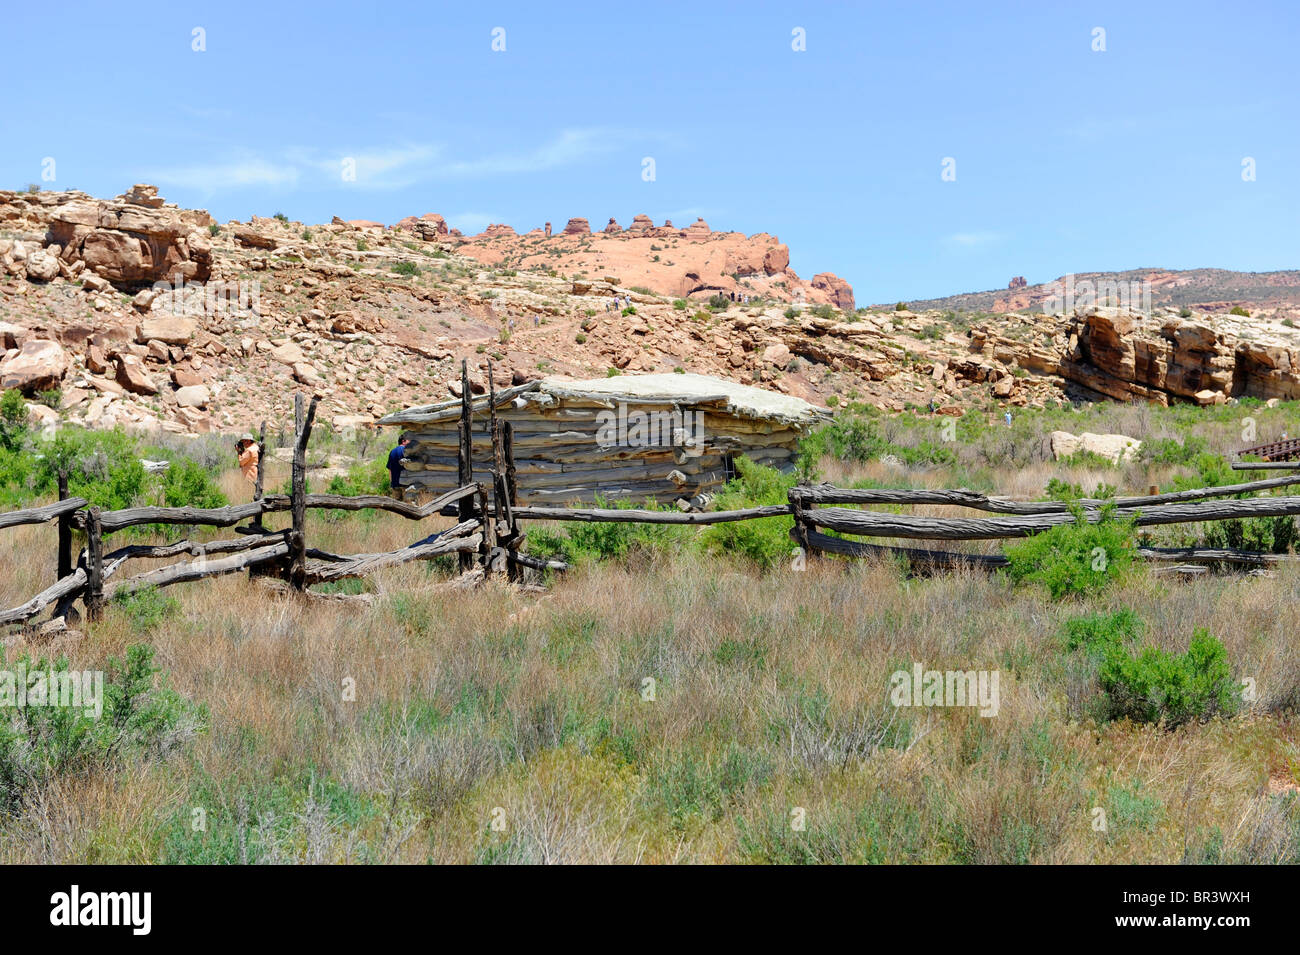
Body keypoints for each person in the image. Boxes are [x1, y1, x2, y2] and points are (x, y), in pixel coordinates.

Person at [387, 435, 410, 499]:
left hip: (395, 483)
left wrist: (392, 483)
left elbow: (389, 469)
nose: (410, 442)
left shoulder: (392, 452)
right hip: (405, 483)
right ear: (403, 441)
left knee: (396, 506)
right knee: (407, 505)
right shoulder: (407, 451)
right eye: (408, 440)